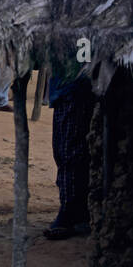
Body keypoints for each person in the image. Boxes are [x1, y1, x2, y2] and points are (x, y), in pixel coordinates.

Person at [43, 70, 95, 240]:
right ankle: (75, 210)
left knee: (69, 153)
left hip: (74, 93)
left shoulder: (80, 44)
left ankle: (69, 213)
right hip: (64, 93)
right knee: (61, 152)